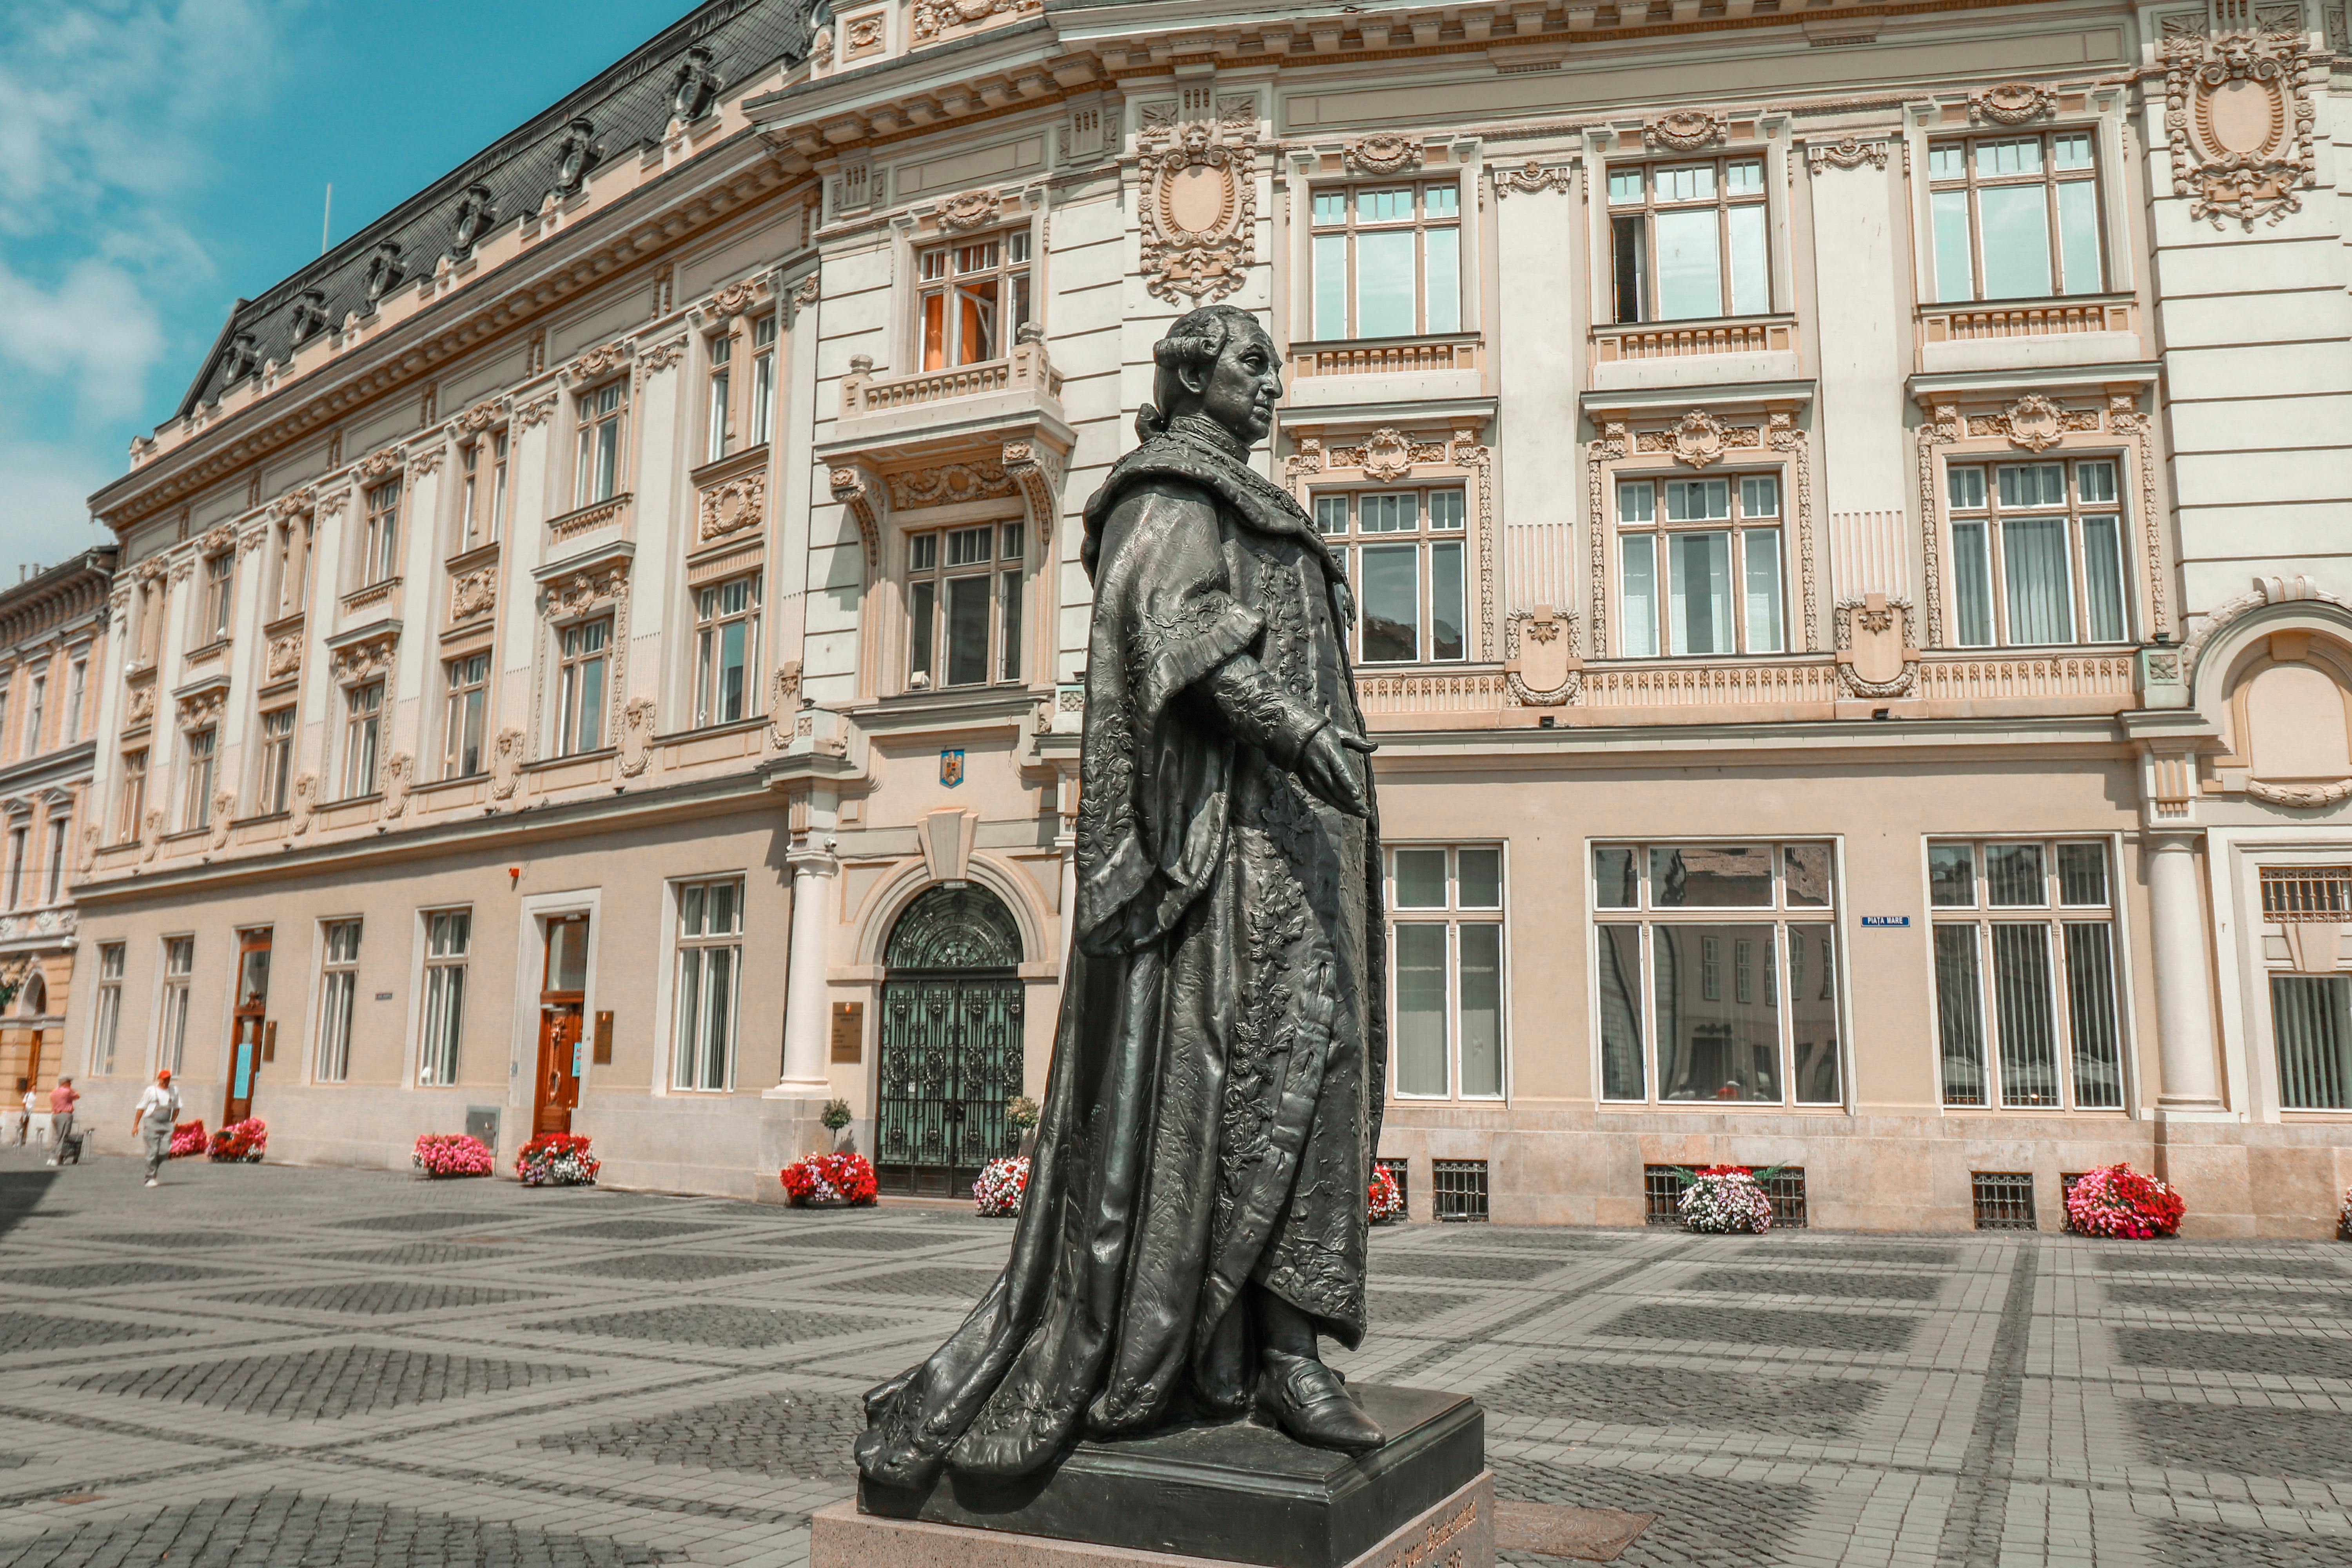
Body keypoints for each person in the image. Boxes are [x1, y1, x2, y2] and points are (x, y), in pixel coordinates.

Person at [858, 305, 1388, 1492]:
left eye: (1273, 365)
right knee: (1241, 1080)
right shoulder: (1165, 491)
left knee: (1319, 1080)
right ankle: (1226, 1348)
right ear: (1191, 375)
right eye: (1253, 362)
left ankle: (1287, 1351)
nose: (1272, 384)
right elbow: (1172, 635)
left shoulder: (1256, 499)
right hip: (1225, 854)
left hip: (1304, 844)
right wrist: (1297, 729)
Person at [131, 1070, 180, 1188]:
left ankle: (152, 1168)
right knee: (152, 1152)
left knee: (165, 1151)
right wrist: (136, 1126)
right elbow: (141, 1108)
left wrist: (172, 1122)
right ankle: (150, 1178)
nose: (166, 1081)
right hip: (152, 1124)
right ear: (159, 1079)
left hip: (166, 1125)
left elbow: (177, 1108)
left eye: (168, 1079)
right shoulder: (151, 1091)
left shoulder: (174, 1091)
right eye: (164, 1079)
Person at [44, 1078, 78, 1166]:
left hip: (55, 1115)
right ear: (65, 1083)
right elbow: (77, 1096)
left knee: (55, 1137)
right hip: (65, 1115)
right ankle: (58, 1159)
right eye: (69, 1083)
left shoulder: (54, 1092)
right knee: (63, 1137)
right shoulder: (68, 1091)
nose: (71, 1084)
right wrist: (70, 1089)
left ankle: (51, 1158)